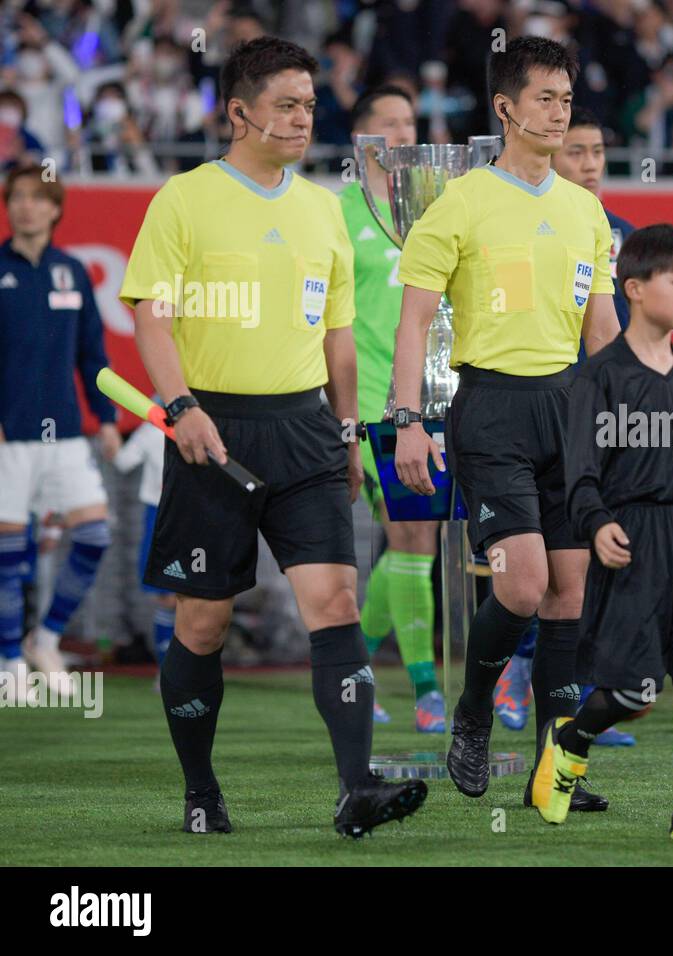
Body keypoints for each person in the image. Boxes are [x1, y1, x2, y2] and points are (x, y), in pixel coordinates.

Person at [118, 36, 426, 837]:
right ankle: (201, 792)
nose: (302, 118)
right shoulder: (182, 200)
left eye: (310, 104)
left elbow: (339, 338)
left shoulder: (323, 206)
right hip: (209, 427)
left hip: (308, 430)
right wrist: (181, 405)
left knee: (336, 601)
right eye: (287, 104)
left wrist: (348, 432)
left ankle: (357, 787)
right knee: (203, 622)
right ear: (239, 111)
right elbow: (150, 314)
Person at [391, 37, 621, 810]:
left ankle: (553, 775)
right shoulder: (459, 204)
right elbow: (414, 321)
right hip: (489, 408)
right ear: (504, 108)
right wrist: (409, 421)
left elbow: (603, 333)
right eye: (544, 99)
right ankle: (471, 714)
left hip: (571, 409)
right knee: (521, 587)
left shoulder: (587, 211)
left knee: (567, 593)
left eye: (565, 98)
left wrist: (638, 413)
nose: (558, 113)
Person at [531, 223, 673, 845]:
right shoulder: (598, 376)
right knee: (633, 689)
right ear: (632, 287)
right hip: (631, 539)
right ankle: (570, 742)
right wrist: (597, 522)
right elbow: (579, 470)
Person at [493, 105, 639, 746]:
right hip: (528, 409)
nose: (589, 164)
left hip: (594, 417)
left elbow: (624, 334)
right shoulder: (515, 219)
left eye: (598, 151)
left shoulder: (617, 231)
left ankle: (573, 702)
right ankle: (506, 678)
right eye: (576, 151)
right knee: (528, 573)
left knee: (584, 573)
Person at [339, 84, 444, 733]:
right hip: (372, 398)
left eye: (410, 120)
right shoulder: (339, 212)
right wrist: (343, 419)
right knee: (413, 535)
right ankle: (429, 691)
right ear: (363, 140)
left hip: (429, 393)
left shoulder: (434, 206)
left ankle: (357, 666)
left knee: (413, 541)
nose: (405, 132)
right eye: (391, 122)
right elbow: (330, 324)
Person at [0, 164, 120, 698]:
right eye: (16, 197)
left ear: (54, 208)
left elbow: (92, 354)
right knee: (8, 553)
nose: (25, 206)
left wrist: (109, 419)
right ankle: (9, 665)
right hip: (9, 437)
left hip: (65, 435)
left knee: (94, 535)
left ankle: (44, 638)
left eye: (36, 197)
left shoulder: (71, 271)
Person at [111, 408, 175, 686]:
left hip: (185, 512)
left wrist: (108, 429)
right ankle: (168, 673)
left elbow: (121, 460)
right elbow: (123, 461)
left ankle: (178, 672)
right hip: (163, 514)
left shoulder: (151, 427)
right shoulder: (151, 428)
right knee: (169, 598)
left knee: (188, 599)